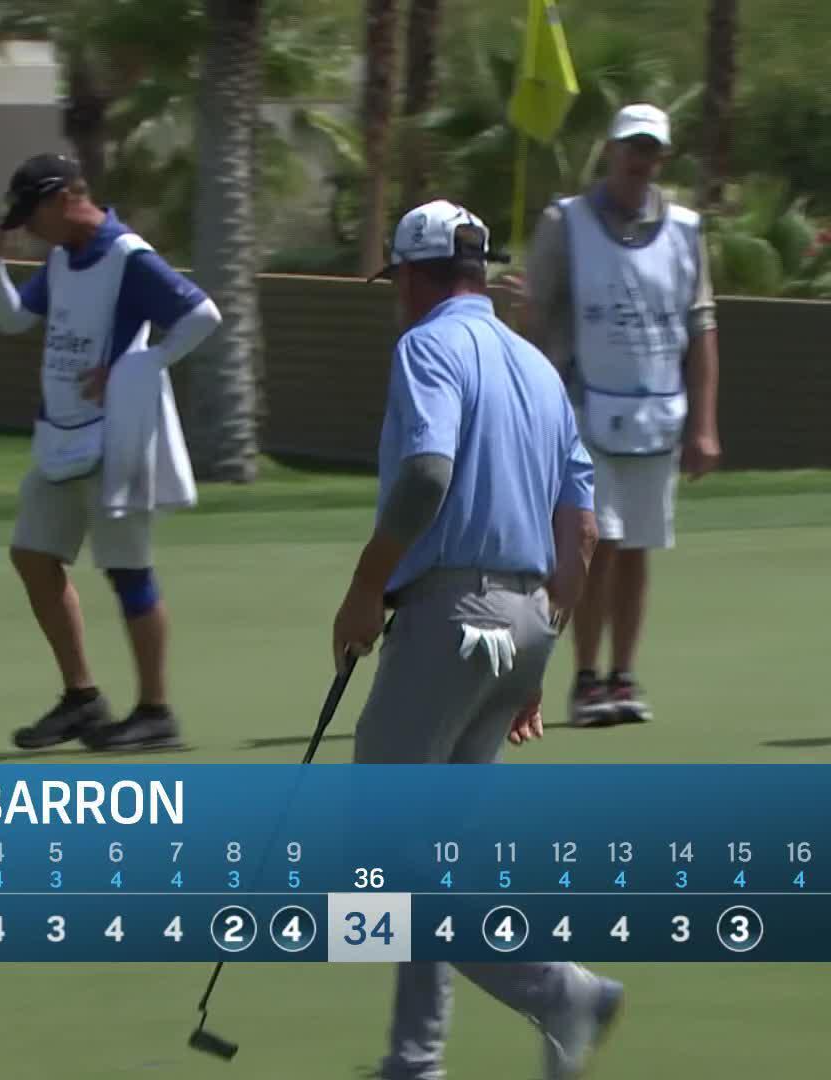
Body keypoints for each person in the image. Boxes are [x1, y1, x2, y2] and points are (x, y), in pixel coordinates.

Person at [330, 199, 620, 1080]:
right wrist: (541, 645)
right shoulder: (537, 366)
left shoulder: (427, 346)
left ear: (416, 278)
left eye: (396, 283)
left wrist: (364, 585)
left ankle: (561, 990)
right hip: (529, 618)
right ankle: (414, 1059)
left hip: (451, 617)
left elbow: (426, 472)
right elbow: (585, 532)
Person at [0, 153, 222, 752]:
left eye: (30, 214)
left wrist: (135, 366)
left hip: (114, 438)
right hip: (59, 436)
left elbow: (201, 315)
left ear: (64, 199)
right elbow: (13, 320)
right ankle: (82, 698)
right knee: (33, 556)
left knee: (128, 571)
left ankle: (155, 711)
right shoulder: (62, 258)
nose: (27, 229)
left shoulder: (127, 257)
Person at [515, 102, 722, 728]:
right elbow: (536, 316)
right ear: (610, 151)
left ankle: (621, 675)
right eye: (631, 147)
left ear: (662, 157)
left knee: (637, 549)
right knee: (591, 546)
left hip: (658, 415)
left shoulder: (686, 230)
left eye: (650, 150)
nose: (640, 160)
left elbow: (701, 325)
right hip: (582, 412)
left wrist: (706, 425)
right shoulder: (567, 222)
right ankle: (584, 680)